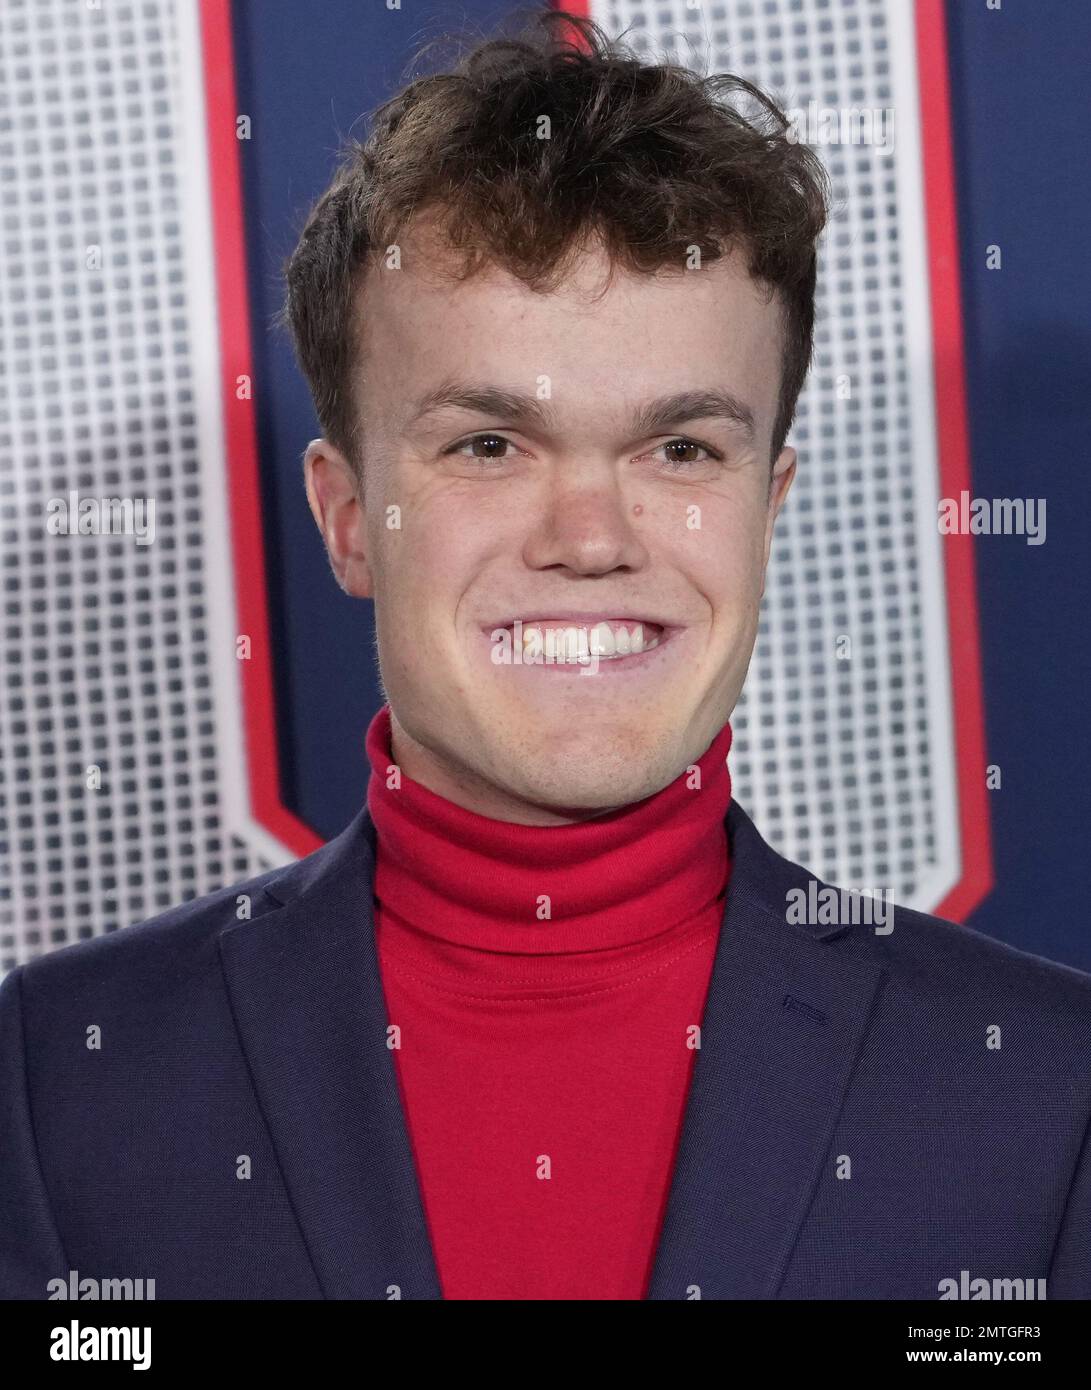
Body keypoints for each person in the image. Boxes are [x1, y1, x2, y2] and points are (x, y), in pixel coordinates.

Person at [2, 10, 1089, 1302]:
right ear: (347, 519)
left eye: (681, 449)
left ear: (768, 505)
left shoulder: (1050, 1091)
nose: (591, 538)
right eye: (488, 445)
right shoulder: (58, 1078)